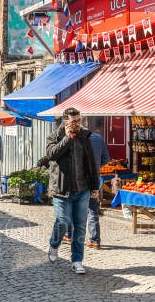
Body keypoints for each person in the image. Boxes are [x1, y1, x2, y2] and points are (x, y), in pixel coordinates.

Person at [46, 108, 99, 274]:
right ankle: (54, 244)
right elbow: (51, 155)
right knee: (63, 221)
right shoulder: (55, 136)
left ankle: (77, 260)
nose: (77, 124)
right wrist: (67, 138)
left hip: (82, 189)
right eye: (73, 121)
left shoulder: (85, 136)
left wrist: (95, 186)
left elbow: (91, 163)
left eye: (79, 120)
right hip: (62, 190)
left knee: (80, 226)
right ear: (65, 121)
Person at [63, 123, 110, 249]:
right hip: (94, 179)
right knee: (92, 209)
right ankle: (95, 240)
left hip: (78, 180)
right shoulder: (99, 138)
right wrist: (96, 166)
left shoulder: (75, 139)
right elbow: (106, 158)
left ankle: (68, 235)